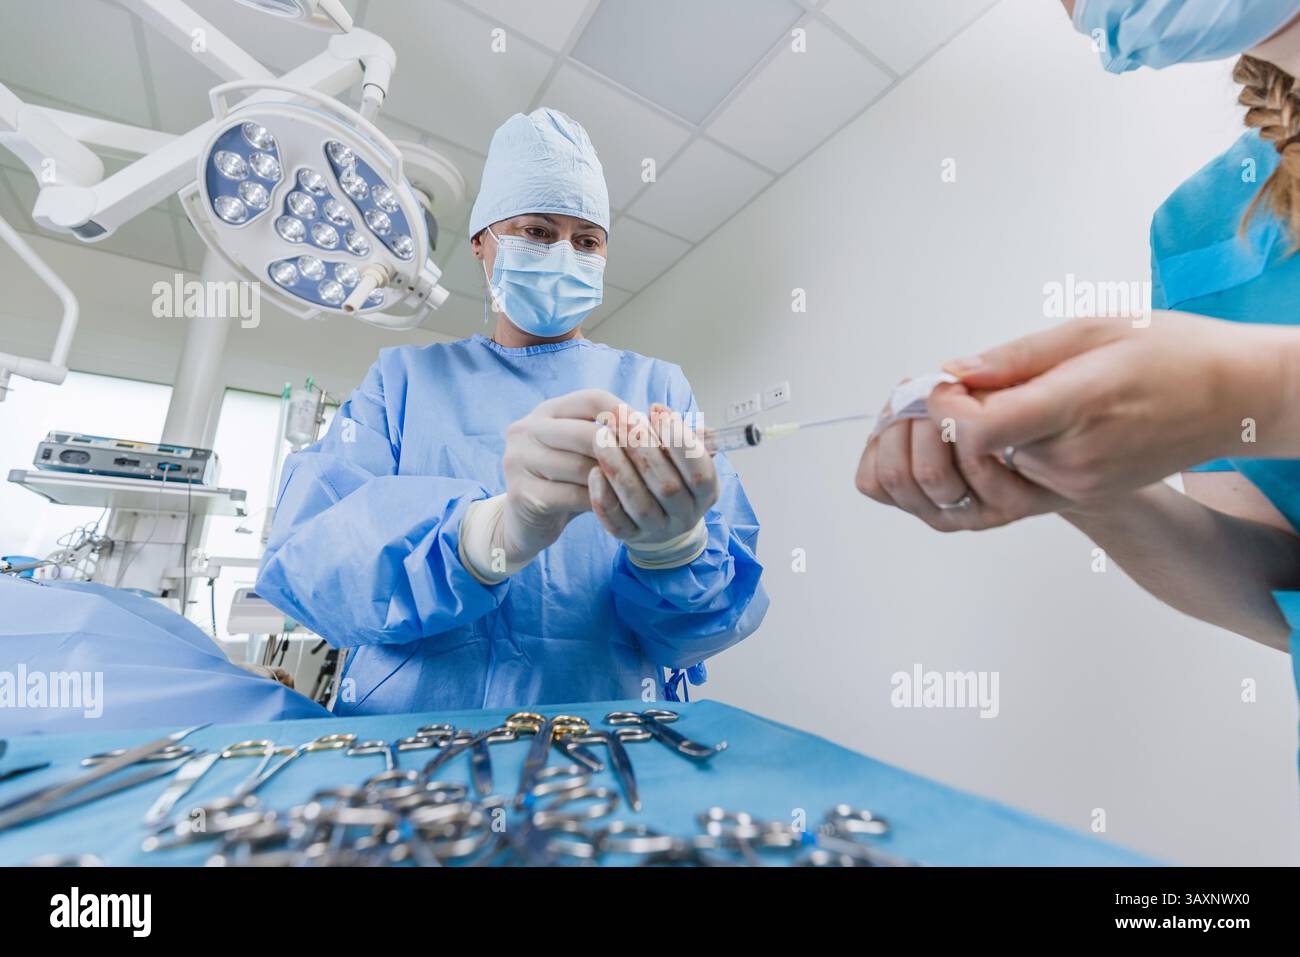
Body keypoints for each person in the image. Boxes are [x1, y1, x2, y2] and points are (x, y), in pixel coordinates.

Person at [256, 108, 768, 716]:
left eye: (586, 241)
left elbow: (698, 632)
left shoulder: (656, 386)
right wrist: (482, 539)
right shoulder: (402, 383)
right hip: (411, 742)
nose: (562, 252)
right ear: (482, 244)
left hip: (602, 736)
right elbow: (311, 567)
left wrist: (673, 547)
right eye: (537, 231)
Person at [856, 0, 1300, 670]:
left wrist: (1252, 392)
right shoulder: (1192, 228)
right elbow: (1281, 582)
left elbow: (1249, 395)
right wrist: (1084, 488)